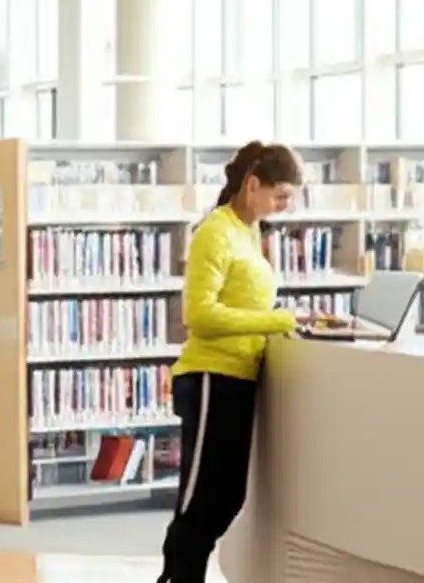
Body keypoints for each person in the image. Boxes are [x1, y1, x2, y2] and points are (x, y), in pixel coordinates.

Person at [158, 141, 308, 583]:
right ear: (252, 184)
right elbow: (198, 315)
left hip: (239, 378)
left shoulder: (248, 231)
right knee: (199, 501)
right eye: (280, 195)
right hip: (210, 378)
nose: (284, 207)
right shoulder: (215, 232)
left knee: (227, 500)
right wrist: (277, 319)